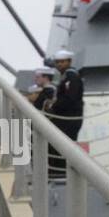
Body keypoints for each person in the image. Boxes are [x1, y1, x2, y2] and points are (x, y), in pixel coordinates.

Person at [43, 48, 82, 178]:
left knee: (62, 147)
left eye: (62, 62)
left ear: (69, 62)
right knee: (57, 146)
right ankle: (58, 173)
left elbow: (70, 98)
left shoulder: (72, 77)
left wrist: (54, 105)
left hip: (68, 119)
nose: (59, 64)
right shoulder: (66, 76)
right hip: (65, 118)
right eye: (57, 62)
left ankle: (61, 174)